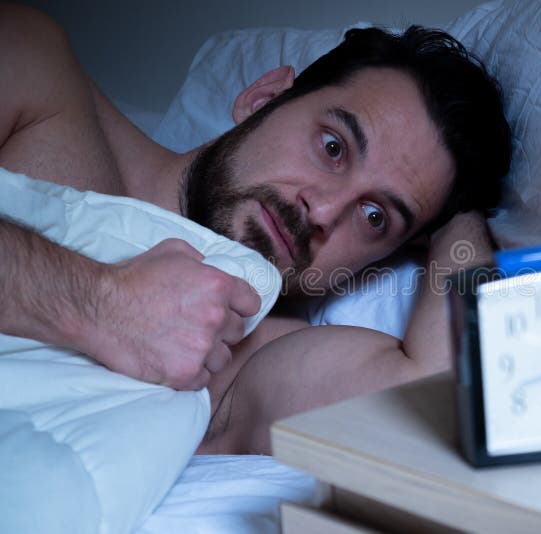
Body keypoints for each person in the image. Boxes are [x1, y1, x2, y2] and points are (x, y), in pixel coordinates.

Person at [0, 4, 511, 454]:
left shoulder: (253, 358)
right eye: (333, 147)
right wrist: (100, 301)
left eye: (375, 217)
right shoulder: (35, 74)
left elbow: (442, 402)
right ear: (264, 98)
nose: (324, 211)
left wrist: (455, 219)